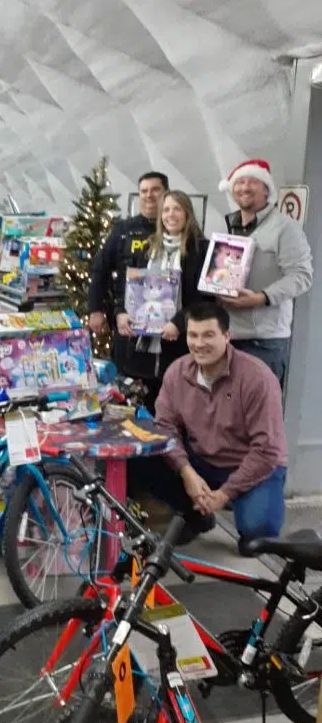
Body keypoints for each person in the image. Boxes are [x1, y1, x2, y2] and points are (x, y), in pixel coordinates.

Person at [129, 300, 287, 550]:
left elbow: (267, 450)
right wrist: (187, 472)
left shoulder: (257, 378)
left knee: (256, 539)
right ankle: (196, 515)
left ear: (227, 336)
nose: (199, 343)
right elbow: (165, 428)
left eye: (208, 335)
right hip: (203, 460)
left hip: (254, 466)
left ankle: (222, 503)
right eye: (193, 335)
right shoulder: (177, 372)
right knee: (137, 457)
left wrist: (224, 494)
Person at [112, 190, 211, 409]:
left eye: (177, 208)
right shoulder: (148, 247)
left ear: (187, 213)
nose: (171, 215)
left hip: (180, 344)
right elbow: (126, 287)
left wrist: (178, 322)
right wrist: (120, 312)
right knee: (145, 408)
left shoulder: (201, 249)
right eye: (166, 209)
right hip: (143, 349)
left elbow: (206, 299)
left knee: (176, 408)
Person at [217, 159, 313, 382]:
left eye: (252, 181)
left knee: (259, 413)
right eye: (239, 182)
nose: (244, 188)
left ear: (266, 189)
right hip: (228, 336)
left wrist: (262, 298)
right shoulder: (231, 227)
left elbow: (302, 276)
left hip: (264, 342)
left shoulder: (285, 227)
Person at [88, 171, 169, 352]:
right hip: (126, 318)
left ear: (166, 193)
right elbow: (100, 269)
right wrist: (95, 309)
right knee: (126, 375)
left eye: (155, 190)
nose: (149, 195)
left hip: (167, 322)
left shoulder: (177, 229)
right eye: (144, 191)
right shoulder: (123, 229)